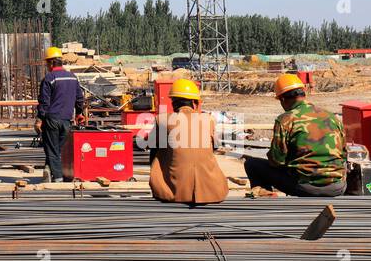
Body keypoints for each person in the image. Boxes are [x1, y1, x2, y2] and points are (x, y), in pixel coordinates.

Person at [243, 73, 347, 196]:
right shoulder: (331, 117)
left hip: (304, 187)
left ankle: (266, 199)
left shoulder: (285, 120)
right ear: (304, 93)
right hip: (337, 187)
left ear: (282, 99)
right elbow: (344, 154)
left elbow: (277, 160)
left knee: (252, 164)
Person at [147, 77, 228, 205]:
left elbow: (153, 150)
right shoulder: (209, 119)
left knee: (158, 151)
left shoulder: (162, 120)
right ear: (194, 102)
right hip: (213, 192)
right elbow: (214, 148)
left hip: (173, 192)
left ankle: (161, 185)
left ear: (173, 102)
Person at [35, 46, 85, 182]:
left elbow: (44, 103)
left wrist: (39, 119)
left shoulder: (49, 78)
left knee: (52, 151)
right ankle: (48, 170)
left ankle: (57, 179)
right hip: (66, 121)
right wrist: (79, 113)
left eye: (47, 64)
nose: (47, 66)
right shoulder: (73, 78)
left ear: (51, 63)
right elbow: (80, 99)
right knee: (56, 149)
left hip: (52, 120)